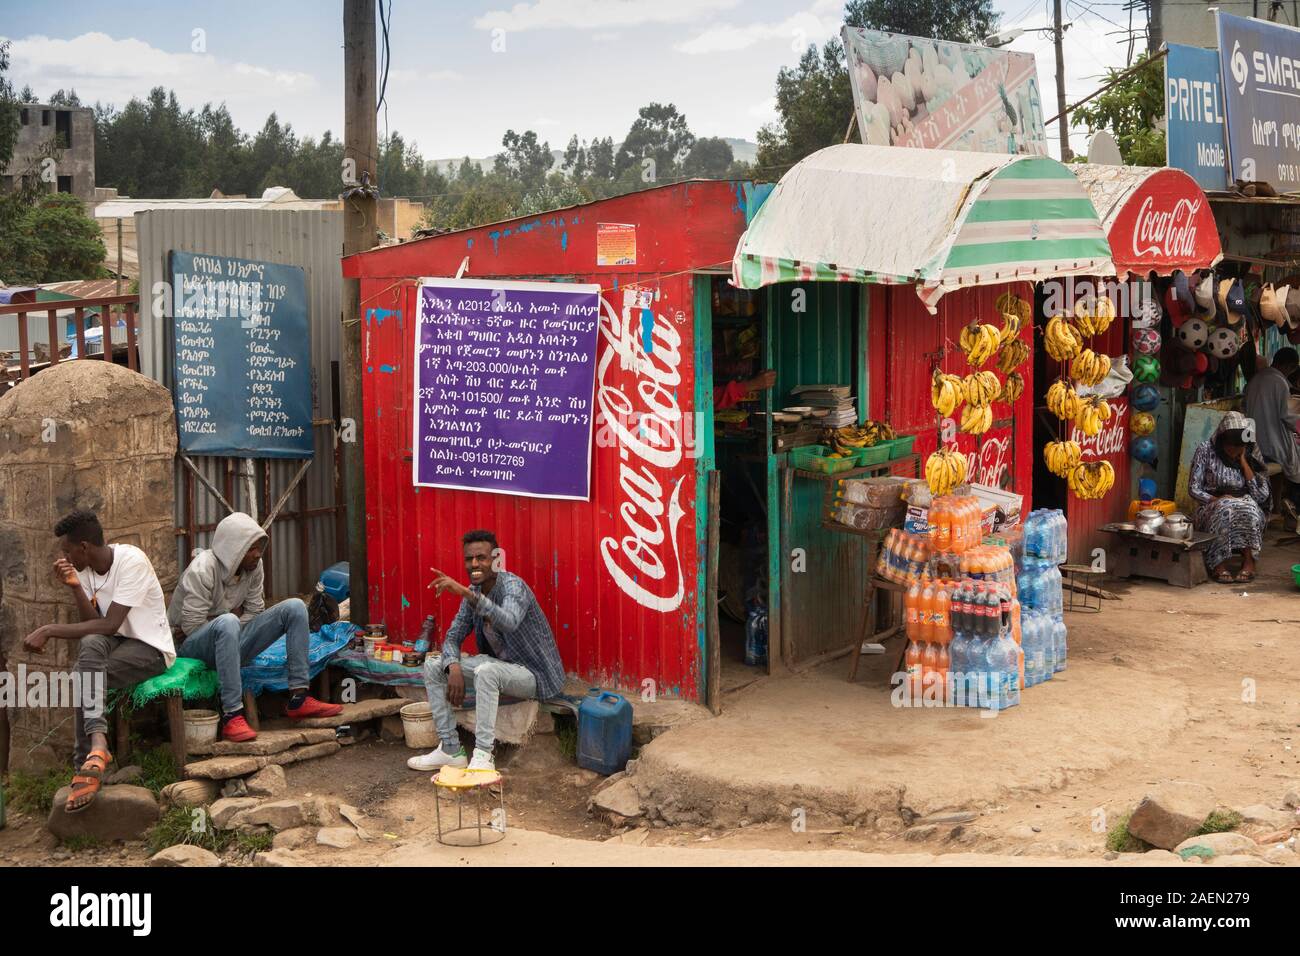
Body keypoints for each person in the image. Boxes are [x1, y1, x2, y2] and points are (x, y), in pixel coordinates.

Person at [22, 510, 173, 812]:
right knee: (89, 650)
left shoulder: (131, 562)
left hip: (149, 649)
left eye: (67, 550)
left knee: (84, 675)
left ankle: (86, 763)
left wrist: (49, 630)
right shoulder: (85, 569)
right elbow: (91, 625)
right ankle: (98, 748)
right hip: (114, 644)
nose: (63, 556)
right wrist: (75, 587)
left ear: (84, 546)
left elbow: (110, 624)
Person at [168, 512, 341, 742]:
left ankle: (299, 697)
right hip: (189, 647)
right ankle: (232, 715)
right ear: (232, 548)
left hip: (228, 637)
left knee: (295, 607)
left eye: (259, 547)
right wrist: (226, 622)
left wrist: (228, 627)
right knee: (228, 622)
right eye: (250, 548)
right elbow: (190, 627)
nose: (257, 554)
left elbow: (254, 611)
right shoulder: (203, 569)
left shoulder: (254, 568)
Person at [407, 529, 566, 775]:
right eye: (469, 559)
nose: (474, 565)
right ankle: (451, 749)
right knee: (434, 665)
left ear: (495, 560)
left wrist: (468, 594)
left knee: (486, 671)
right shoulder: (474, 591)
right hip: (497, 667)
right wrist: (454, 666)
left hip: (533, 674)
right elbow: (452, 636)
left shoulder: (513, 586)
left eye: (481, 558)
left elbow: (509, 621)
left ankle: (483, 755)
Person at [1188, 412, 1271, 583]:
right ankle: (1219, 564)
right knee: (1225, 508)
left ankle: (1249, 562)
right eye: (1231, 446)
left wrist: (1243, 461)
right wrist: (1214, 500)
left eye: (1238, 447)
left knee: (1251, 509)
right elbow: (1193, 488)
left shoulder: (1249, 452)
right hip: (1212, 505)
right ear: (1222, 441)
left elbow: (1260, 496)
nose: (1234, 450)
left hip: (1243, 500)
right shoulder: (1205, 450)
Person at [1244, 347, 1300, 527]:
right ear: (1289, 366)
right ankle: (1291, 508)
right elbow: (1286, 415)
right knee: (1293, 460)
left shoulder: (1256, 379)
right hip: (1270, 443)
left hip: (1253, 441)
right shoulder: (1279, 382)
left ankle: (1277, 508)